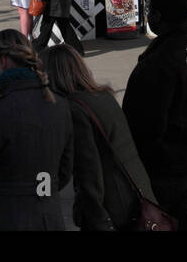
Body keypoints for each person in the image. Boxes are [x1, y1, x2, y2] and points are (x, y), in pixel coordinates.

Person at [122, 0, 187, 230]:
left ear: (158, 16)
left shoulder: (161, 60)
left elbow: (146, 122)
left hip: (164, 163)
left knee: (161, 220)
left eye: (151, 11)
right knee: (177, 217)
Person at [0, 29, 73, 230]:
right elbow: (64, 169)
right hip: (49, 218)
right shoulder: (59, 103)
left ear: (3, 61)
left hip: (5, 217)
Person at [43, 45, 154, 231]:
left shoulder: (75, 109)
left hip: (115, 206)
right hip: (137, 194)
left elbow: (89, 172)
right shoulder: (102, 95)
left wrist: (96, 219)